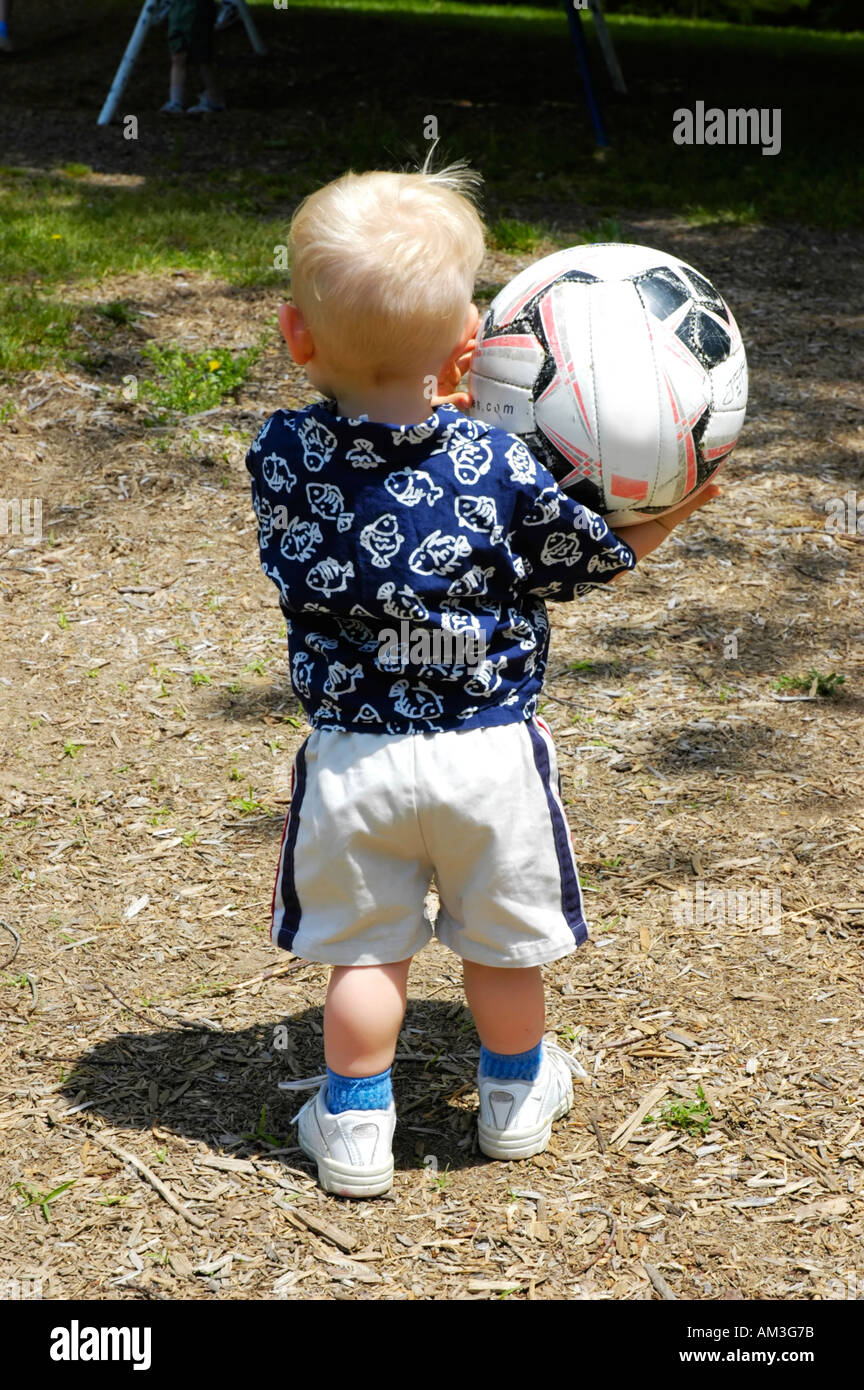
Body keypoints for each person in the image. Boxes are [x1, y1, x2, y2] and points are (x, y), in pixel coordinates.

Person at [244, 158, 721, 1198]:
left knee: (367, 957)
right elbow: (590, 557)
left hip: (353, 758)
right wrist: (676, 505)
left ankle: (358, 1124)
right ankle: (513, 1095)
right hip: (489, 755)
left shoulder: (277, 451)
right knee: (503, 951)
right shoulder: (496, 464)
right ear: (473, 354)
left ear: (297, 339)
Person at [161, 0, 224, 115]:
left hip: (197, 8)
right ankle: (175, 101)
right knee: (178, 54)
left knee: (202, 56)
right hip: (179, 8)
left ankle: (214, 98)